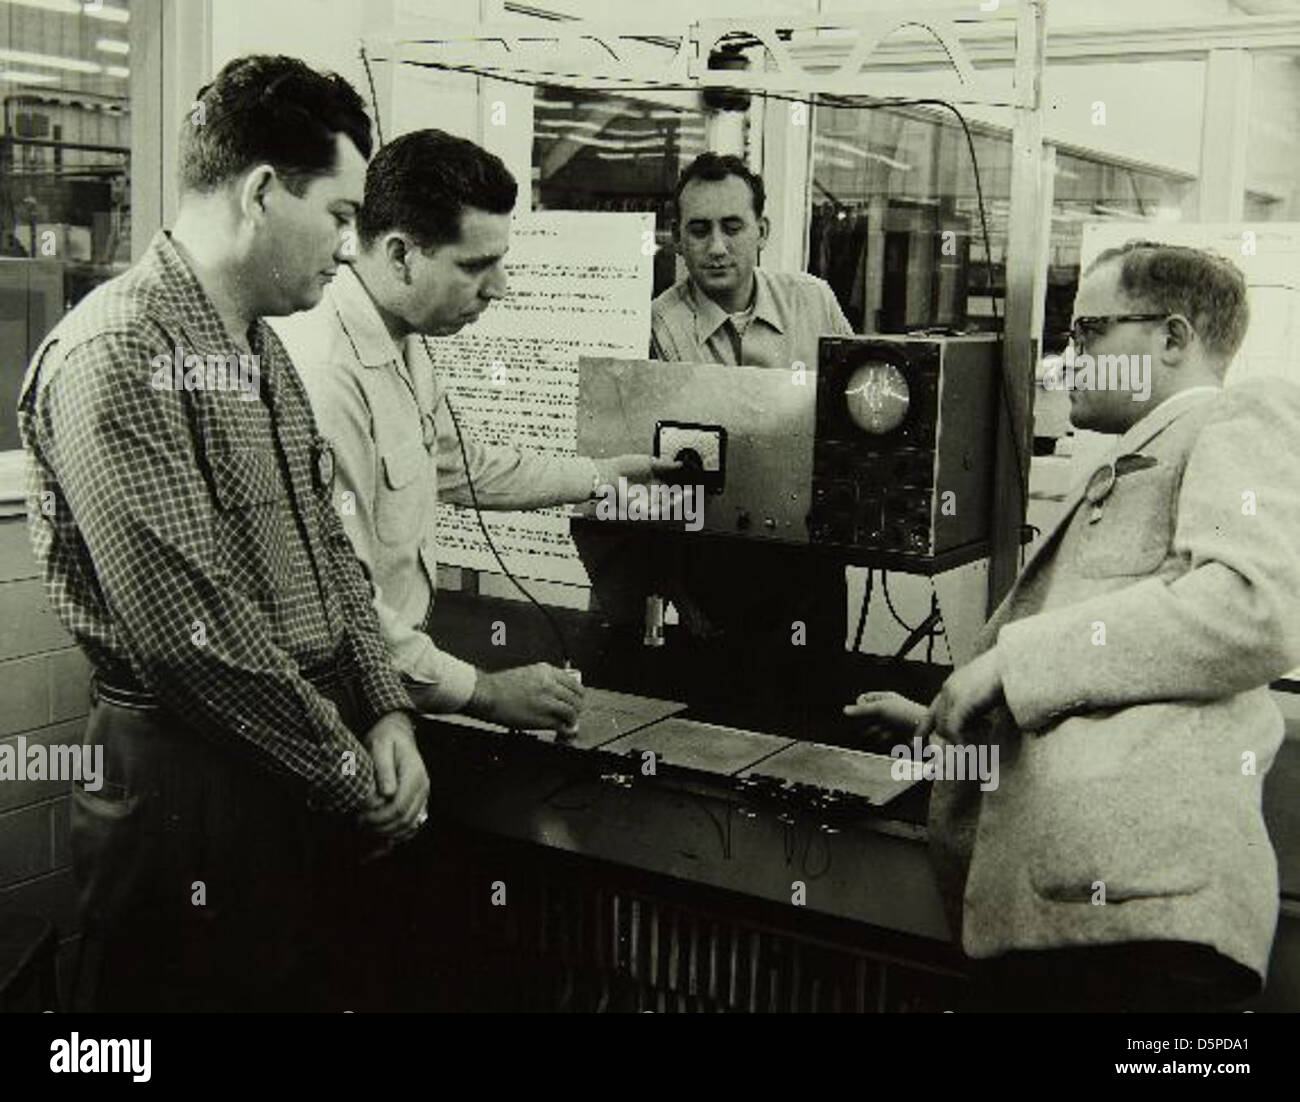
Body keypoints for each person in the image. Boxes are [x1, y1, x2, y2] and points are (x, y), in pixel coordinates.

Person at [17, 55, 426, 1012]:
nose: (348, 245)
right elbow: (186, 641)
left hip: (298, 766)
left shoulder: (261, 350)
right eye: (338, 216)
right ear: (260, 193)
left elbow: (330, 559)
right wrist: (347, 769)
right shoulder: (120, 350)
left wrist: (385, 710)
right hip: (186, 794)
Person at [847, 241, 1300, 1011]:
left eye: (1088, 332)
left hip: (1143, 934)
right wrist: (947, 722)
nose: (1068, 357)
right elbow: (1116, 684)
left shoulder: (1235, 418)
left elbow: (1250, 609)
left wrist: (1002, 667)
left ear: (1174, 337)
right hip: (1073, 926)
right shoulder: (1130, 461)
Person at [272, 129, 673, 731]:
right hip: (334, 703)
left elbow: (465, 468)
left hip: (381, 686)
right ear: (402, 255)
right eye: (476, 265)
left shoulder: (401, 341)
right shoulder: (330, 375)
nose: (500, 287)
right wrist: (483, 691)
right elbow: (343, 604)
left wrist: (601, 477)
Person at [642, 152, 854, 649]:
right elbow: (658, 480)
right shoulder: (656, 327)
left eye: (733, 227)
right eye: (699, 230)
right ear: (677, 238)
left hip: (812, 556)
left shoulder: (814, 300)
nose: (717, 247)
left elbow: (851, 417)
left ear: (763, 231)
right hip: (711, 563)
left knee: (817, 700)